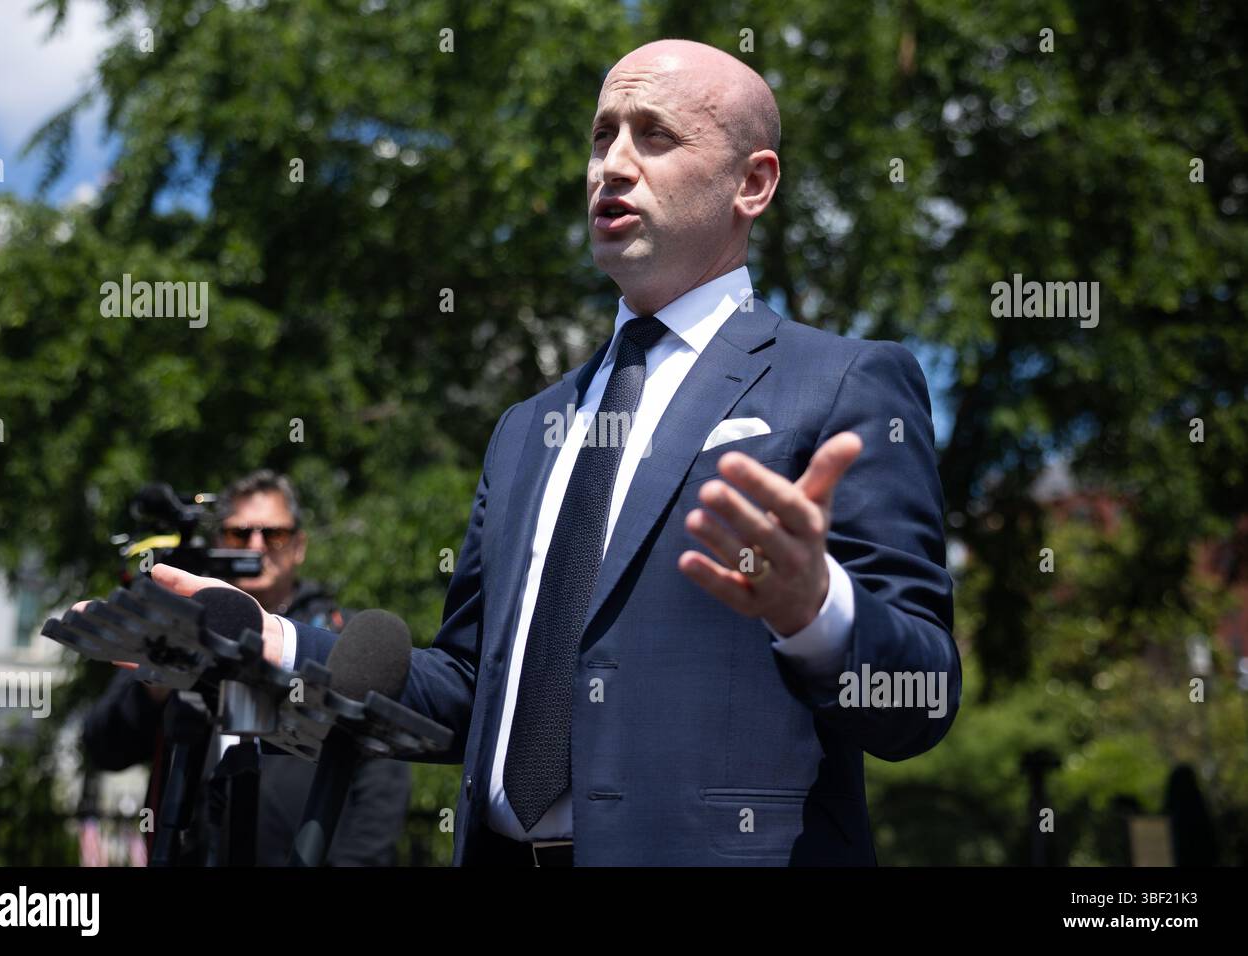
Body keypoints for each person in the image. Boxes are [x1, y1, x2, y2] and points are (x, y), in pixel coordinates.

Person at [142, 38, 962, 866]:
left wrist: (814, 608)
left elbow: (921, 701)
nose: (613, 164)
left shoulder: (844, 383)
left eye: (656, 136)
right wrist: (269, 637)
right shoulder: (526, 427)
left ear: (753, 183)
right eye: (602, 134)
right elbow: (467, 689)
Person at [82, 470, 410, 866]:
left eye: (274, 535)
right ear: (220, 541)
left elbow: (382, 781)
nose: (256, 546)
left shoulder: (339, 637)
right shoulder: (182, 627)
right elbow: (104, 746)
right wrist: (158, 682)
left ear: (299, 545)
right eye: (240, 535)